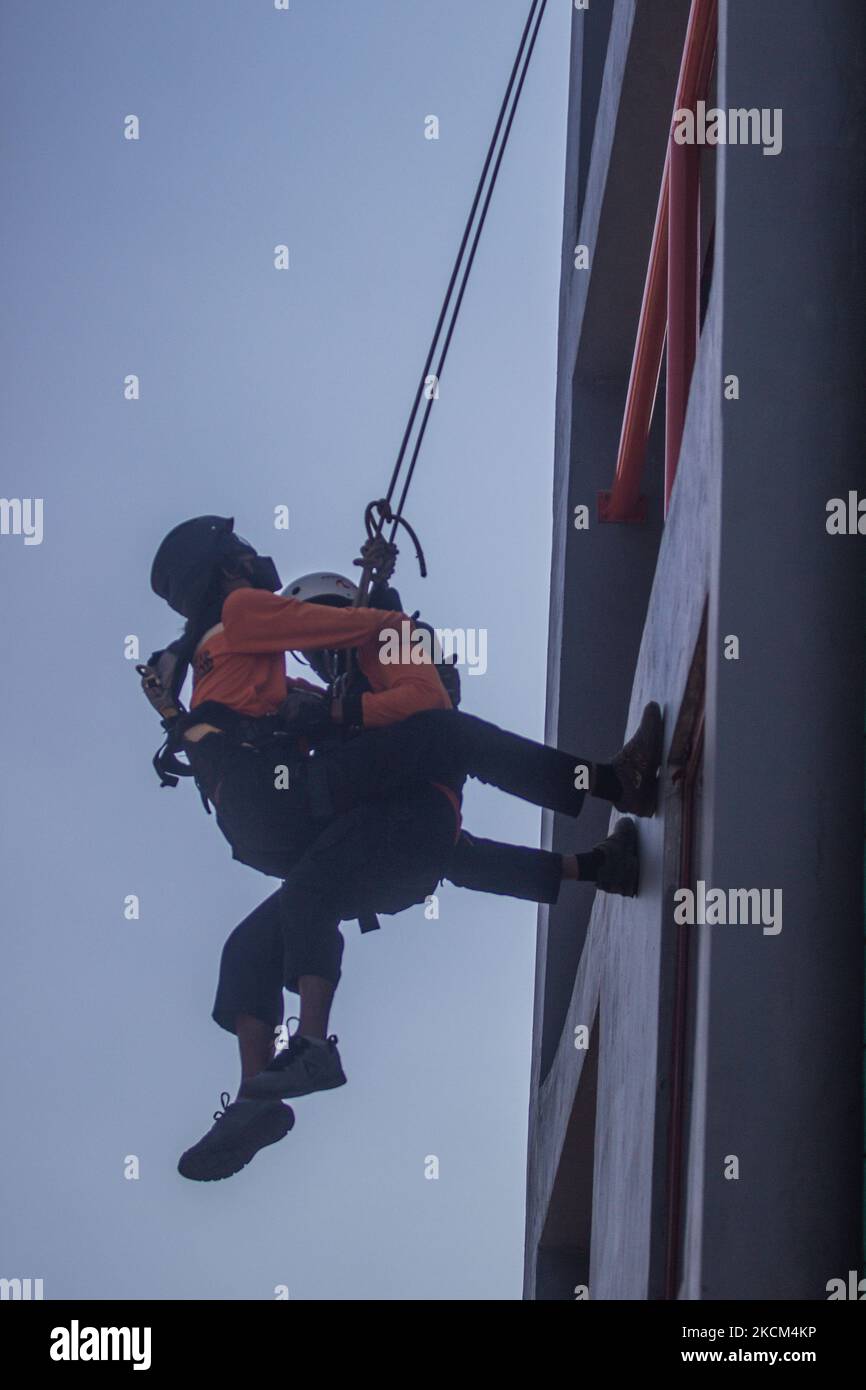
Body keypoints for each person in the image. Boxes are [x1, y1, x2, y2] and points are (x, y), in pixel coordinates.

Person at [143, 516, 663, 1180]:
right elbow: (285, 700)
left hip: (371, 816)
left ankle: (612, 796)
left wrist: (366, 646)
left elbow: (419, 695)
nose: (315, 647)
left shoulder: (355, 657)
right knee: (287, 915)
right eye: (311, 642)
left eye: (319, 627)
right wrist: (328, 697)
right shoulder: (292, 673)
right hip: (358, 822)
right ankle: (269, 1085)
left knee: (283, 917)